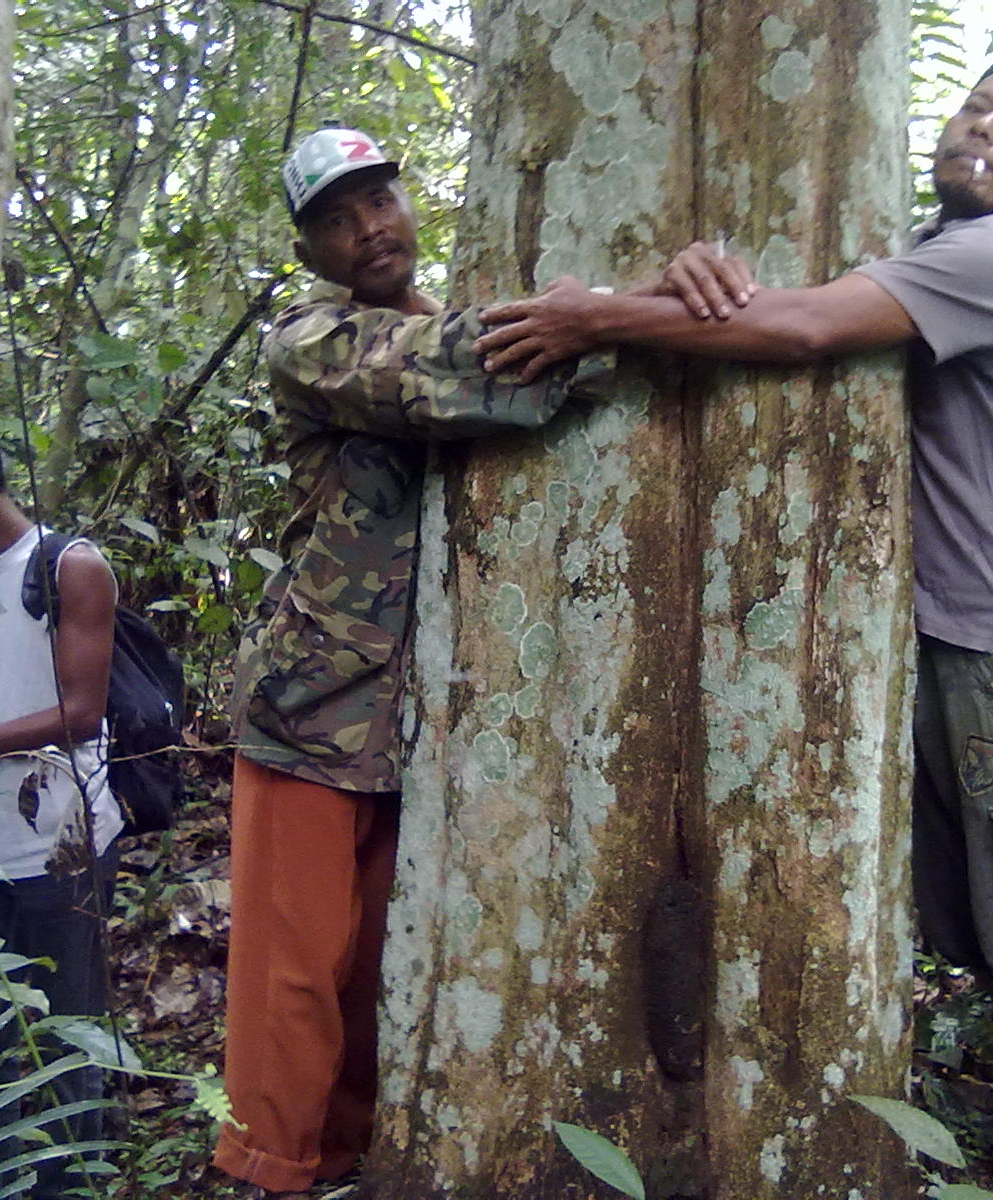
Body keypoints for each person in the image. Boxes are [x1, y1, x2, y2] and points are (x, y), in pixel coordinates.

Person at [474, 47, 993, 1200]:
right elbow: (780, 304)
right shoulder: (929, 251)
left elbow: (802, 333)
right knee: (985, 919)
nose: (981, 128)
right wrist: (702, 268)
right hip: (959, 642)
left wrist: (594, 318)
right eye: (976, 104)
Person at [214, 128, 612, 1199]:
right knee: (291, 976)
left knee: (382, 970)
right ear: (311, 254)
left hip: (427, 716)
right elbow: (458, 380)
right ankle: (266, 1171)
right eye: (336, 222)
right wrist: (627, 319)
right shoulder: (313, 337)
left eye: (378, 201)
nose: (368, 231)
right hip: (317, 703)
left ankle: (342, 1160)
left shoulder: (443, 307)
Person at [0, 434, 122, 1198]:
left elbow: (82, 713)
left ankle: (69, 1183)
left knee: (65, 1033)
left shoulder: (67, 565)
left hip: (57, 845)